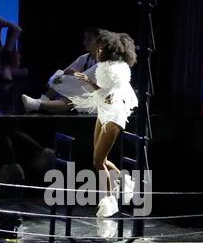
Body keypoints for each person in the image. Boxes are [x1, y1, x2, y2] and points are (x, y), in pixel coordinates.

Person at [77, 31, 139, 228]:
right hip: (103, 112)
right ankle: (124, 179)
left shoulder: (118, 70)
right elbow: (104, 91)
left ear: (111, 51)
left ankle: (109, 201)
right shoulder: (104, 67)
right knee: (99, 160)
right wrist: (88, 82)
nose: (98, 50)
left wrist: (111, 95)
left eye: (102, 48)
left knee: (97, 161)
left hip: (114, 115)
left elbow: (117, 89)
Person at [20, 27, 101, 113]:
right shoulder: (85, 58)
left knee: (72, 99)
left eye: (89, 40)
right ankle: (42, 101)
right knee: (60, 79)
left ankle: (37, 104)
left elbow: (88, 81)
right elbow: (64, 72)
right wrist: (63, 76)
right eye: (85, 39)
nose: (85, 42)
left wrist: (74, 74)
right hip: (84, 90)